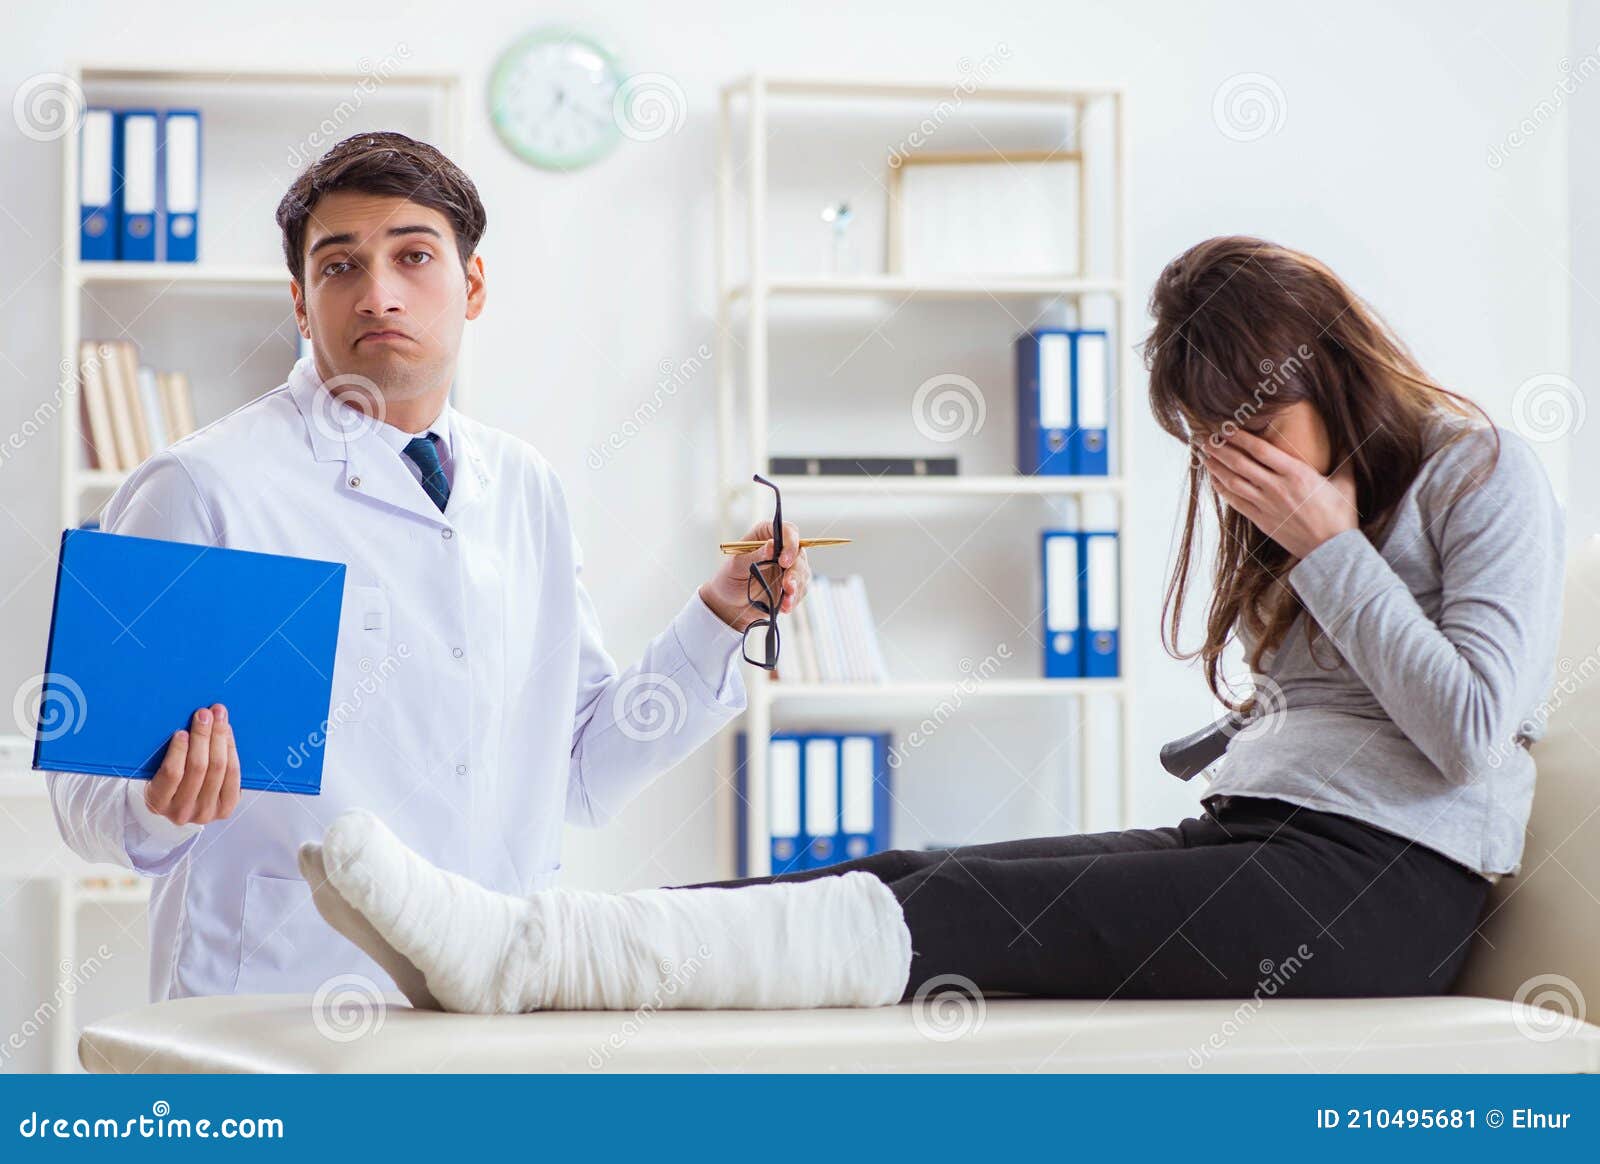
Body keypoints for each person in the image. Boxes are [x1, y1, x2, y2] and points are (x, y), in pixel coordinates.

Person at [297, 235, 1566, 1014]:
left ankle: (527, 960)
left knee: (963, 918)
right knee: (919, 871)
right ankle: (531, 943)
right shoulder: (1306, 491)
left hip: (1383, 893)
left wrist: (1331, 549)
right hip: (1265, 836)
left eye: (1252, 431)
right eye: (1211, 449)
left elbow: (1468, 735)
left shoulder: (1478, 471)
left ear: (1330, 366)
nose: (1236, 472)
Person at [47, 131, 812, 1003]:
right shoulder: (198, 486)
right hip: (278, 1002)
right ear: (300, 304)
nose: (379, 295)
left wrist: (715, 622)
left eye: (414, 256)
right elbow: (84, 798)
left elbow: (584, 772)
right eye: (340, 268)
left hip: (498, 994)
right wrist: (159, 805)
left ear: (471, 285)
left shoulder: (525, 487)